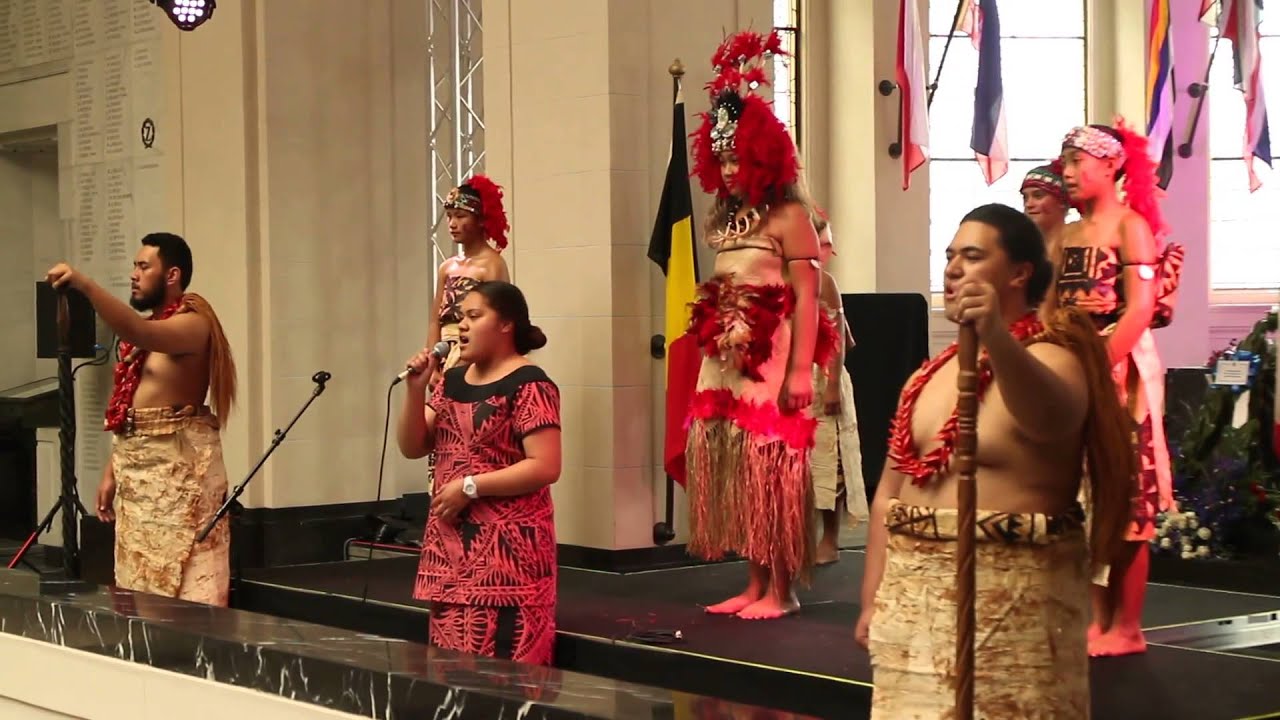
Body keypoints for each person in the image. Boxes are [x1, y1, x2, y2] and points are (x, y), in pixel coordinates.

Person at [856, 204, 1135, 718]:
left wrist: (996, 340)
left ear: (1019, 273)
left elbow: (1048, 418)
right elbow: (888, 495)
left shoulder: (1058, 358)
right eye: (949, 256)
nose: (953, 268)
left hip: (1010, 604)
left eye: (972, 255)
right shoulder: (928, 376)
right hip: (912, 602)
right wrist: (873, 597)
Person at [684, 29, 837, 620]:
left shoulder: (791, 215)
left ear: (760, 156)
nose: (725, 169)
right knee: (740, 466)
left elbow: (806, 297)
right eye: (718, 158)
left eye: (735, 157)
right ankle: (752, 582)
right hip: (725, 355)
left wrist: (800, 371)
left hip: (773, 360)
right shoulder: (727, 219)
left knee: (773, 468)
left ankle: (783, 590)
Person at [45, 233, 237, 606]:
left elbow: (138, 329)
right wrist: (111, 470)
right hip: (138, 473)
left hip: (180, 473)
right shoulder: (154, 330)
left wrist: (85, 285)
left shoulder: (192, 324)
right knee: (139, 579)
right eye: (134, 265)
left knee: (185, 582)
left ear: (172, 275)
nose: (134, 274)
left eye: (144, 266)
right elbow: (132, 408)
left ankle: (191, 655)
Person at [1057, 120, 1182, 657]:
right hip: (1072, 370)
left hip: (1119, 374)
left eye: (1075, 163)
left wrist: (1100, 360)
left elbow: (1140, 307)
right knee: (1084, 498)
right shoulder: (1063, 236)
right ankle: (1096, 617)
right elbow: (1050, 306)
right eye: (1062, 164)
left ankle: (1127, 625)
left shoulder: (1130, 227)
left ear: (1110, 166)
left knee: (1128, 498)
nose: (1065, 174)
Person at [396, 280, 561, 665]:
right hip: (449, 557)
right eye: (459, 318)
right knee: (451, 680)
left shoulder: (530, 383)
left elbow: (546, 465)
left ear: (506, 325)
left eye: (473, 316)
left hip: (507, 564)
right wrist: (415, 391)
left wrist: (470, 486)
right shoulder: (453, 381)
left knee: (505, 684)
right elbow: (413, 446)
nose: (462, 327)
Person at [810, 215, 868, 565]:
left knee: (831, 462)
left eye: (830, 242)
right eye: (825, 242)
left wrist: (832, 384)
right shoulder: (782, 279)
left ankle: (829, 538)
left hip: (823, 378)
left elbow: (840, 341)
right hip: (790, 378)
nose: (832, 249)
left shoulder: (825, 281)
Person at [428, 175, 511, 385]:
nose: (452, 224)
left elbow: (496, 324)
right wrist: (432, 365)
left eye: (460, 216)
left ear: (481, 219)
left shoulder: (492, 265)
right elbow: (435, 321)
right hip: (445, 357)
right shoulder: (447, 267)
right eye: (449, 216)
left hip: (476, 362)